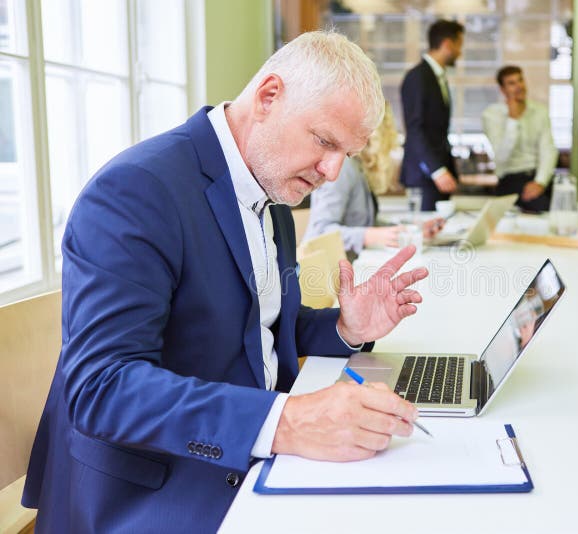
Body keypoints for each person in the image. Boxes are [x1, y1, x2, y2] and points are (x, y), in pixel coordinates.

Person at [22, 31, 430, 533]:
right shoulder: (136, 191)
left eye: (347, 153)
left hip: (244, 455)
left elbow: (252, 326)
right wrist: (289, 421)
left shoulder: (271, 183)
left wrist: (347, 328)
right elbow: (102, 388)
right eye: (325, 141)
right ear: (268, 96)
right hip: (152, 491)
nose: (331, 170)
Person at [304, 103, 444, 255]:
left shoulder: (359, 168)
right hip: (327, 273)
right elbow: (320, 232)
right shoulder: (344, 168)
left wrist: (411, 229)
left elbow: (365, 225)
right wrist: (369, 236)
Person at [400, 19, 464, 211]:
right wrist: (436, 170)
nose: (460, 52)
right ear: (447, 44)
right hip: (425, 176)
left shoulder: (438, 78)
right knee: (424, 235)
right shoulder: (417, 77)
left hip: (440, 174)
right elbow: (414, 129)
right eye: (459, 45)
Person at [481, 65, 558, 212]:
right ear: (503, 90)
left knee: (562, 208)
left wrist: (540, 182)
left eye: (520, 80)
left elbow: (548, 150)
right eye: (511, 83)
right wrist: (513, 120)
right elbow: (501, 157)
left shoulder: (540, 112)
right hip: (510, 179)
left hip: (539, 176)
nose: (519, 86)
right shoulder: (491, 115)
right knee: (541, 207)